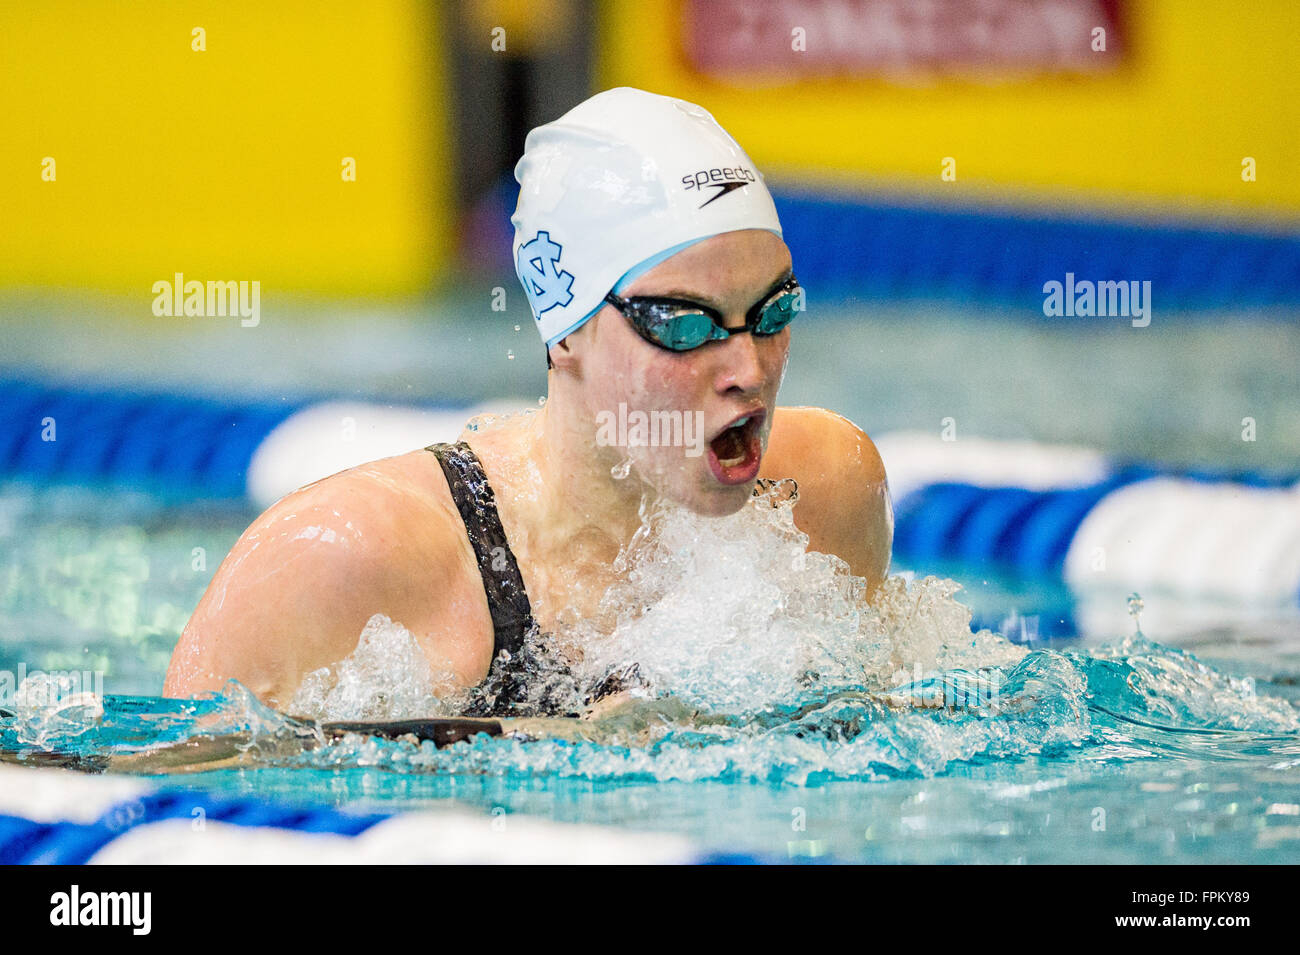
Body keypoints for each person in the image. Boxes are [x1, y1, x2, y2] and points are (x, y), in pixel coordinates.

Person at [164, 87, 893, 716]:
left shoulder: (826, 493)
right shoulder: (348, 559)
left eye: (772, 312)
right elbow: (169, 804)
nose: (748, 368)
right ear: (566, 331)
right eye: (684, 322)